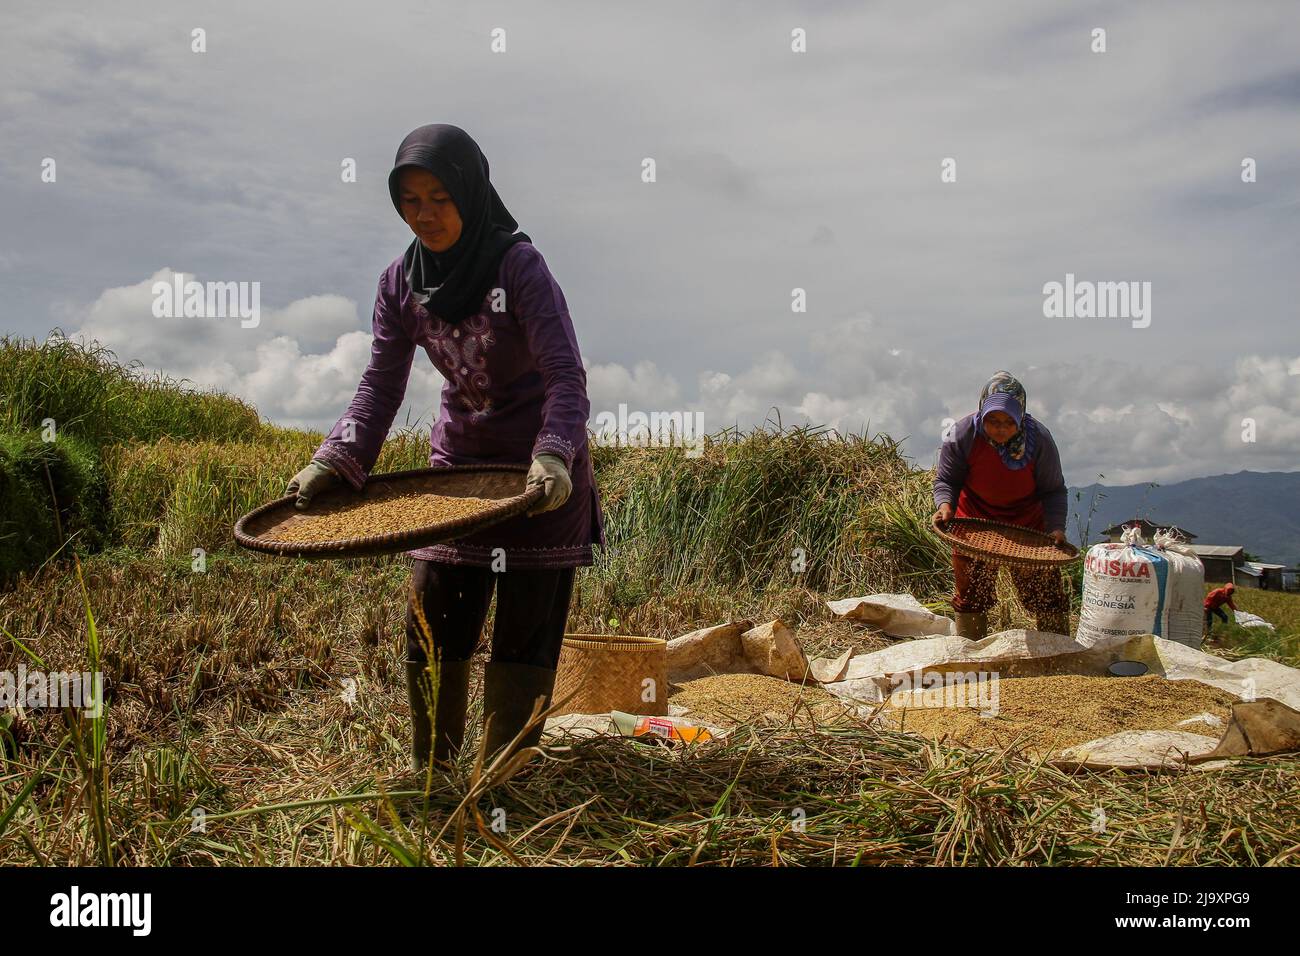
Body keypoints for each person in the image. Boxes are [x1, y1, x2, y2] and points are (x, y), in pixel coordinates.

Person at [286, 124, 605, 771]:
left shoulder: (517, 266)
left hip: (540, 475)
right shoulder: (399, 284)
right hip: (456, 475)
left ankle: (502, 778)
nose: (425, 214)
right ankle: (435, 773)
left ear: (470, 190)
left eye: (440, 196)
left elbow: (565, 374)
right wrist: (333, 458)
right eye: (410, 200)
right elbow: (379, 386)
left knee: (524, 638)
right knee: (434, 624)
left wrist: (552, 456)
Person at [931, 371, 1070, 639]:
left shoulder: (1039, 439)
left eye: (1009, 421)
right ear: (981, 412)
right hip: (975, 522)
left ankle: (1060, 655)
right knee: (971, 595)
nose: (1001, 428)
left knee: (1046, 595)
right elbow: (947, 479)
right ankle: (971, 656)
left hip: (1028, 525)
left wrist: (1056, 528)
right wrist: (945, 505)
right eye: (993, 420)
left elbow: (1053, 490)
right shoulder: (961, 435)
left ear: (1021, 417)